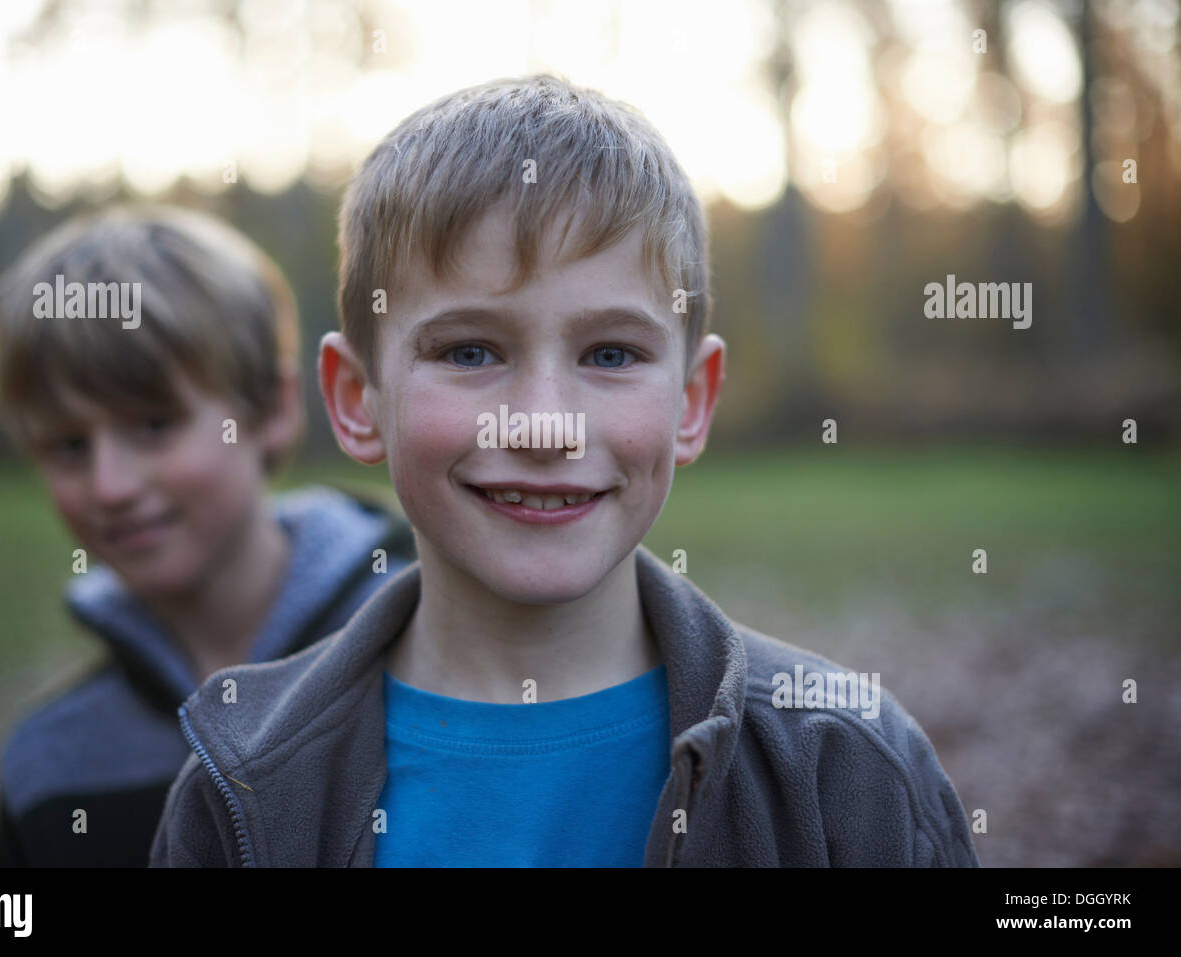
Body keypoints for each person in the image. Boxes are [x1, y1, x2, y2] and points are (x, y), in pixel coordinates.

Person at [151, 75, 979, 867]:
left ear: (692, 401)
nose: (544, 423)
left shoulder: (845, 767)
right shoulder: (244, 784)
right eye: (470, 351)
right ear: (357, 399)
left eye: (611, 354)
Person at [0, 205, 415, 866]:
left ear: (272, 410)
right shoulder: (52, 765)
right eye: (68, 445)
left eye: (153, 426)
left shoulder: (434, 661)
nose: (110, 485)